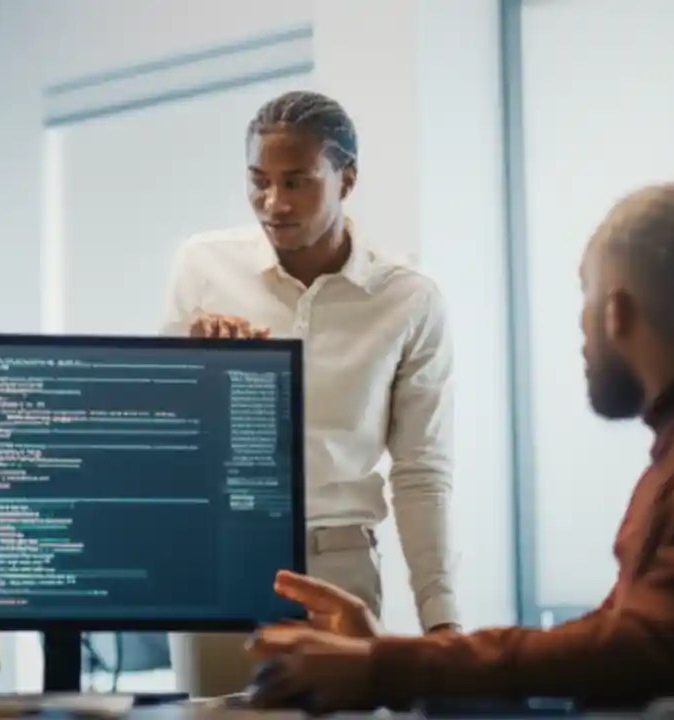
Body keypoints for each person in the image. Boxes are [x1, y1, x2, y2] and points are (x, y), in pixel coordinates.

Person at [247, 182, 674, 712]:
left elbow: (640, 649)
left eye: (584, 298)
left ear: (617, 313)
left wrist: (386, 668)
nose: (581, 330)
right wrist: (388, 655)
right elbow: (610, 639)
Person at [160, 90, 459, 695]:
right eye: (258, 181)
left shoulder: (410, 298)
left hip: (340, 567)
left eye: (297, 182)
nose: (274, 203)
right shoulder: (202, 265)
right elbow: (168, 435)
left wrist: (441, 620)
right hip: (222, 552)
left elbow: (421, 471)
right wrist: (200, 370)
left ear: (346, 180)